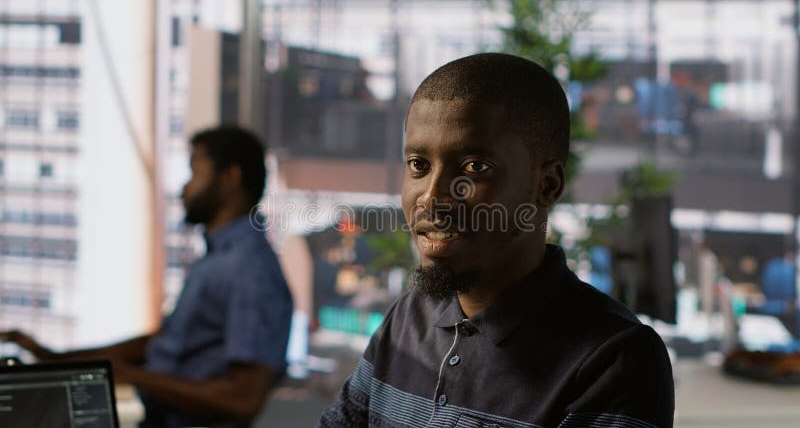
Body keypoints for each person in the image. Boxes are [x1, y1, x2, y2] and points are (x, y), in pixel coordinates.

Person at [319, 53, 674, 427]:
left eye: (474, 167)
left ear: (547, 185)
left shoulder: (613, 359)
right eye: (418, 165)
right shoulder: (406, 319)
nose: (432, 197)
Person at [1, 125, 294, 428]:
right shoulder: (220, 259)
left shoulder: (250, 269)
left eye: (195, 173)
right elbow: (163, 345)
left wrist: (132, 376)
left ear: (231, 178)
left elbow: (243, 399)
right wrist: (56, 360)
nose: (185, 188)